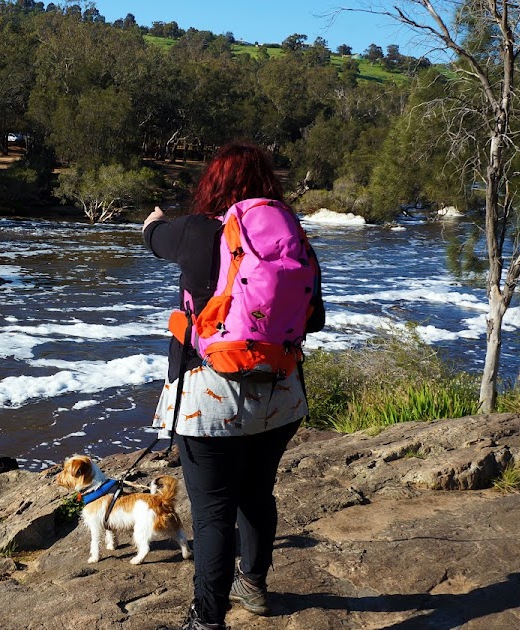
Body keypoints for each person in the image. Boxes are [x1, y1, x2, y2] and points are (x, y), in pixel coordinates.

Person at [142, 142, 324, 630]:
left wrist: (154, 220)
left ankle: (206, 620)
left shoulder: (198, 230)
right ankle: (254, 586)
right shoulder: (292, 237)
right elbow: (317, 319)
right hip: (279, 396)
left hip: (208, 397)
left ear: (213, 183)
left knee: (212, 514)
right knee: (258, 496)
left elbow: (153, 238)